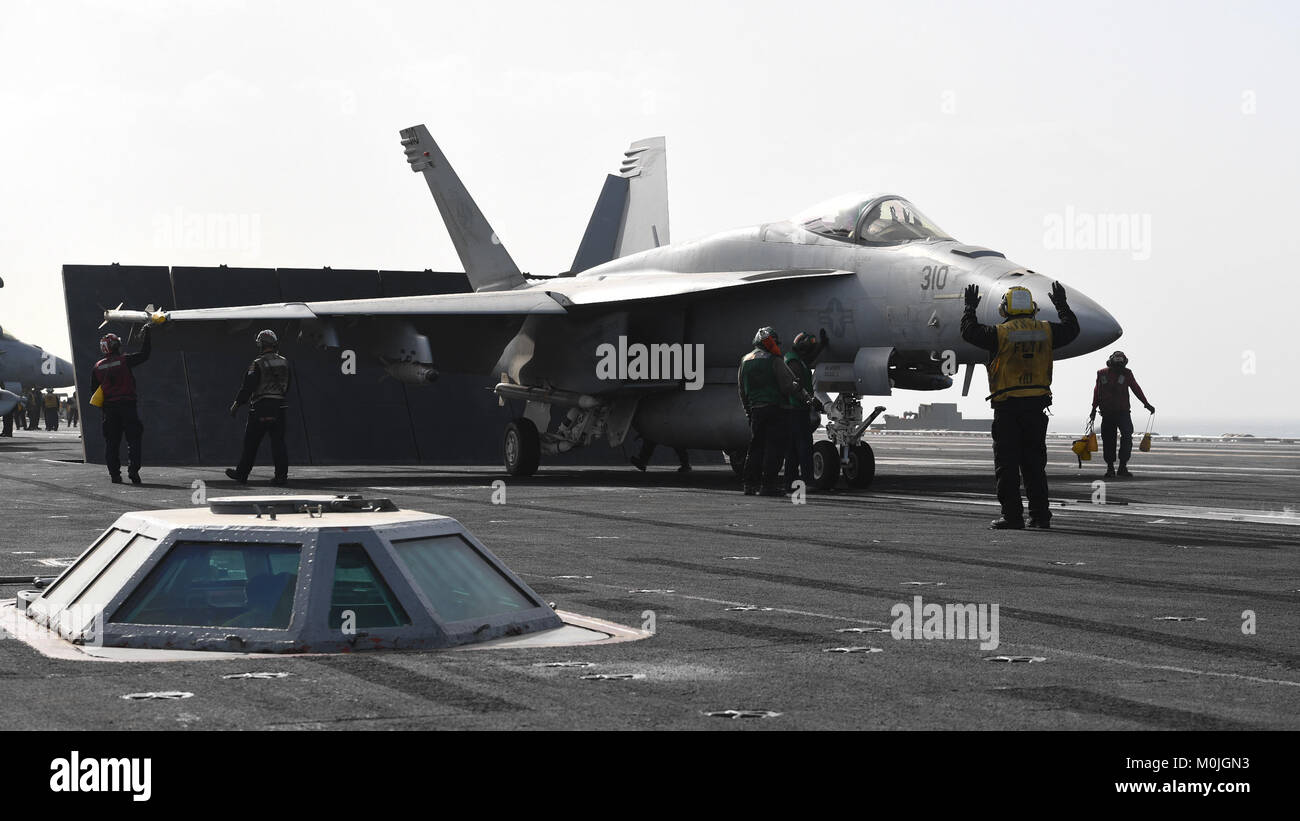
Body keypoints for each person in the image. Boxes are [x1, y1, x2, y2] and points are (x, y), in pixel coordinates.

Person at [962, 283, 1079, 529]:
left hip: (1008, 409)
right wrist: (1061, 303)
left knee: (1007, 467)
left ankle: (1012, 517)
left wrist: (969, 307)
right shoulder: (1047, 331)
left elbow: (969, 332)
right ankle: (1040, 517)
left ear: (1005, 309)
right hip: (1036, 409)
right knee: (1035, 466)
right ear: (1034, 308)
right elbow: (1072, 329)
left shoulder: (999, 333)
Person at [738, 326, 805, 496]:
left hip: (756, 410)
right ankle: (768, 485)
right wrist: (796, 386)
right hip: (776, 409)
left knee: (755, 448)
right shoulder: (774, 360)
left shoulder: (745, 360)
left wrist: (748, 410)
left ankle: (749, 485)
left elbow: (742, 390)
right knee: (774, 448)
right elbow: (785, 387)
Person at [226, 329, 291, 485]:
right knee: (278, 443)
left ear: (261, 344)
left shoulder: (257, 364)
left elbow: (247, 387)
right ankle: (281, 477)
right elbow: (288, 385)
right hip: (279, 407)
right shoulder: (284, 362)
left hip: (260, 407)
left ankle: (242, 474)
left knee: (251, 443)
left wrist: (236, 404)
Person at [90, 326, 151, 484]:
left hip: (109, 410)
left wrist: (105, 409)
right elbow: (145, 354)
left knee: (111, 443)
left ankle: (114, 475)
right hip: (128, 406)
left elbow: (94, 392)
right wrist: (148, 335)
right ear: (117, 345)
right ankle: (133, 471)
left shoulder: (97, 367)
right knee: (134, 440)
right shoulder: (125, 360)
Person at [1090, 350, 1154, 478]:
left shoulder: (1127, 374)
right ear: (1112, 360)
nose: (1119, 362)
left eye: (1121, 360)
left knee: (1126, 436)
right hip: (1107, 413)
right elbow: (1097, 391)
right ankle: (1110, 468)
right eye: (1117, 360)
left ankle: (1122, 466)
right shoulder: (1101, 373)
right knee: (1109, 440)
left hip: (1122, 412)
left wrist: (1146, 403)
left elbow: (1136, 388)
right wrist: (1093, 409)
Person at [782, 329, 828, 491]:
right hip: (797, 410)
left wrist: (821, 345)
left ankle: (789, 483)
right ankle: (807, 482)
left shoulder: (795, 359)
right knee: (804, 448)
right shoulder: (794, 363)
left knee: (792, 451)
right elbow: (797, 387)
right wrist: (812, 402)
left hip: (792, 411)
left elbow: (809, 358)